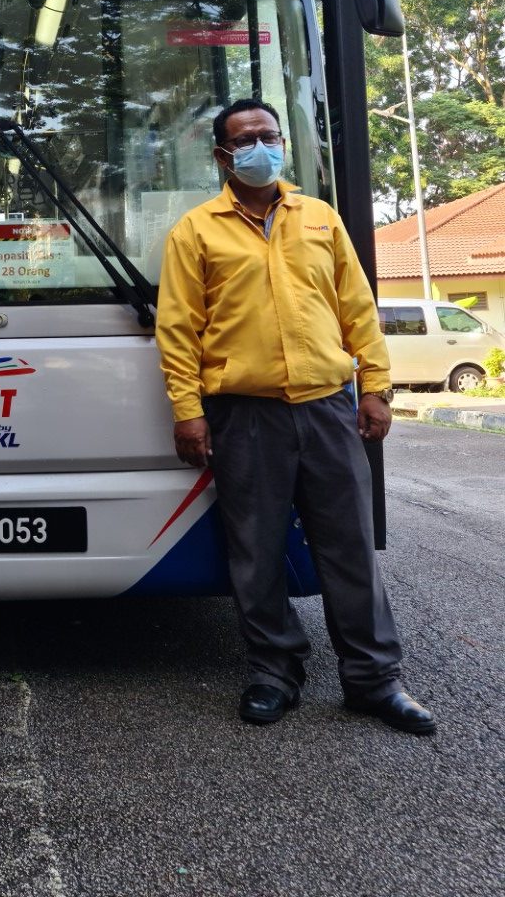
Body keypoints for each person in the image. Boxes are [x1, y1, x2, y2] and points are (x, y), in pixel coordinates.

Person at [155, 98, 435, 734]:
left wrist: (376, 388)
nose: (261, 146)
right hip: (243, 415)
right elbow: (177, 331)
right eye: (246, 138)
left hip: (327, 408)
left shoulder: (320, 219)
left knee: (349, 548)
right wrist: (187, 411)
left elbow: (357, 309)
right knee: (254, 550)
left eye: (269, 135)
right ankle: (274, 673)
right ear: (223, 155)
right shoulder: (196, 231)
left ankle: (373, 679)